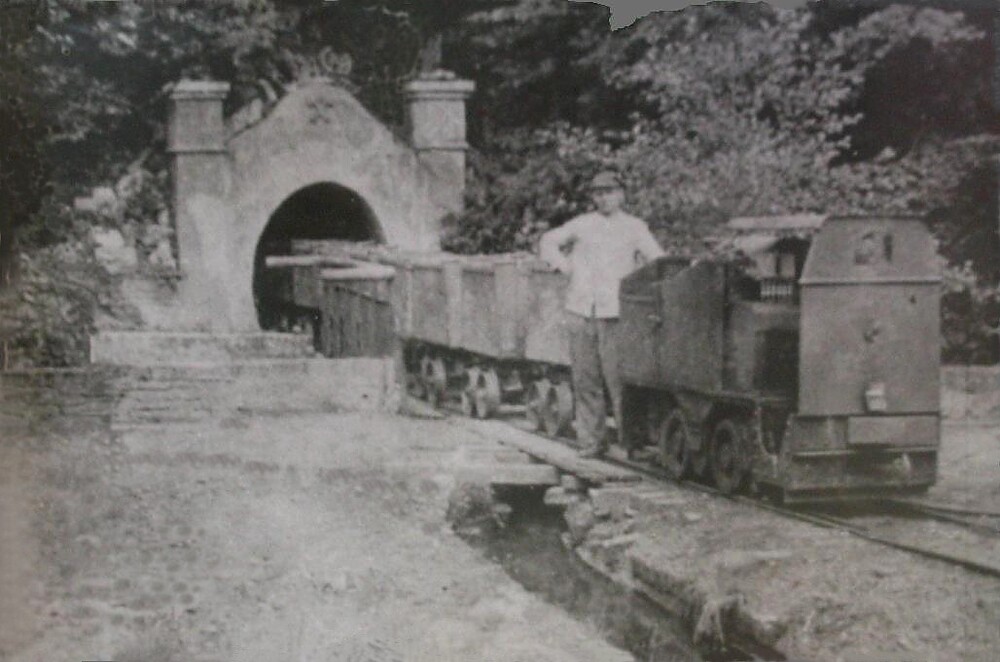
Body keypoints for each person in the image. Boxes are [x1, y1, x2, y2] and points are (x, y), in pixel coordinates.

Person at [538, 170, 664, 458]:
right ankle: (592, 442)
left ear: (621, 194)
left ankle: (631, 443)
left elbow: (657, 261)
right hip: (581, 310)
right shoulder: (582, 225)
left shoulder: (635, 227)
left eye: (609, 192)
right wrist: (563, 267)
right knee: (586, 380)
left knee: (619, 381)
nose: (604, 198)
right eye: (598, 193)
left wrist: (642, 290)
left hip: (616, 313)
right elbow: (548, 241)